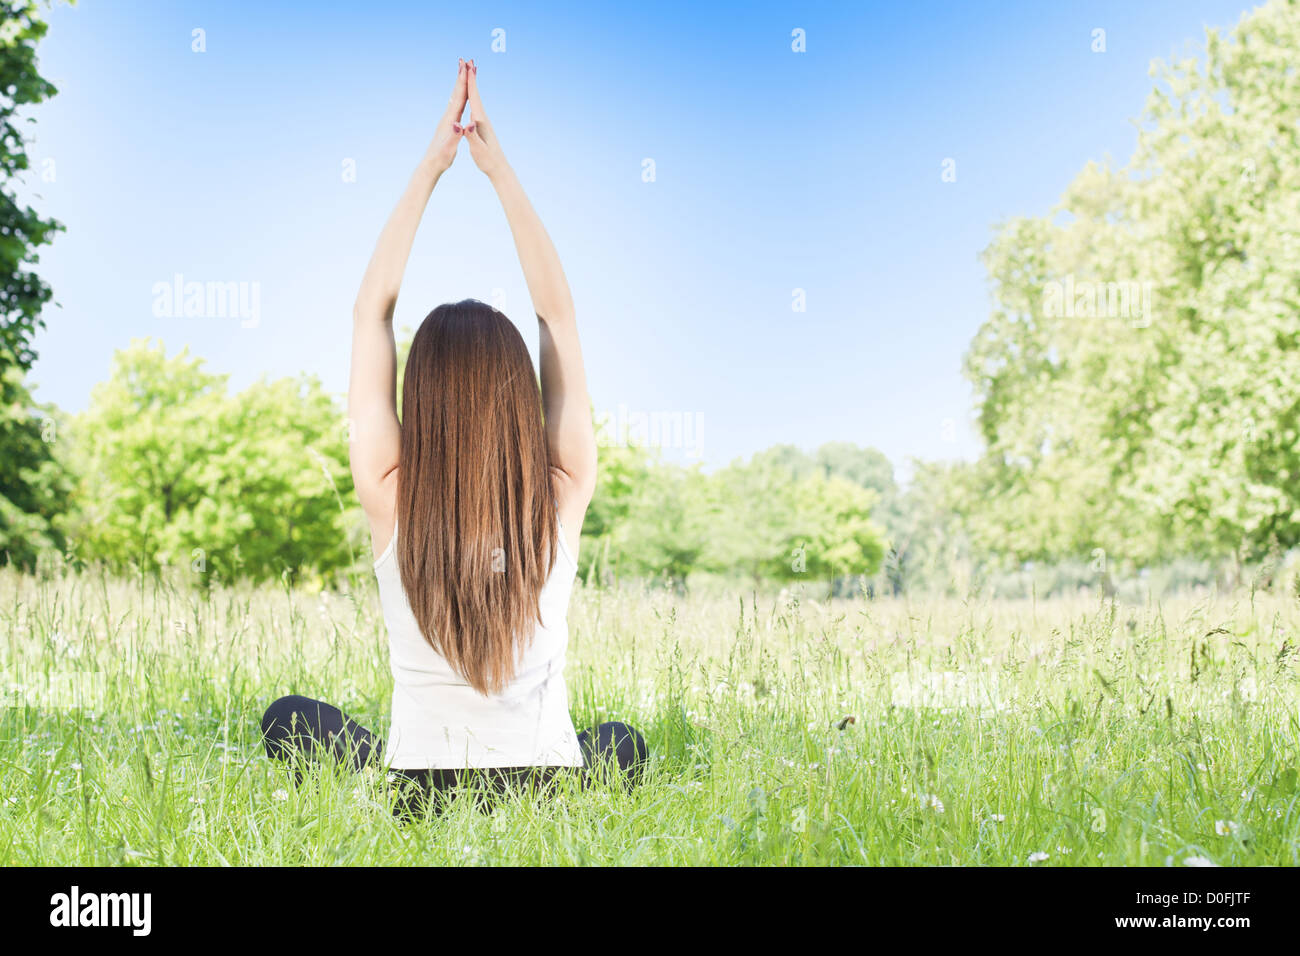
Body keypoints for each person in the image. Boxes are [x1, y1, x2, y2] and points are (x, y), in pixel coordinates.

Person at [261, 58, 647, 820]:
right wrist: (497, 170)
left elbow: (370, 313)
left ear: (422, 398)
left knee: (289, 718)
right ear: (518, 397)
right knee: (622, 742)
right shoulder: (561, 491)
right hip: (543, 789)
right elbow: (558, 319)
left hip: (420, 797)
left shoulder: (391, 491)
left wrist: (433, 166)